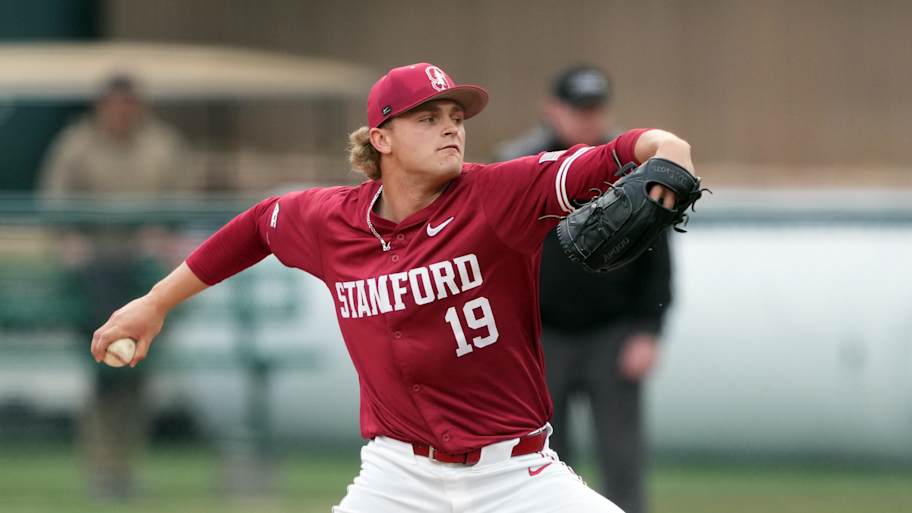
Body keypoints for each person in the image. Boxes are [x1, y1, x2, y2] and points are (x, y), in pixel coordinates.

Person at [89, 62, 694, 513]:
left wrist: (669, 150)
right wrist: (154, 303)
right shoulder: (332, 221)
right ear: (380, 139)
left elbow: (619, 151)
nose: (450, 129)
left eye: (455, 118)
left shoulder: (499, 194)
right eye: (428, 119)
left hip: (514, 476)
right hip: (397, 477)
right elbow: (256, 227)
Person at [496, 65, 672, 513]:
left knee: (622, 457)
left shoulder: (635, 168)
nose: (587, 118)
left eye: (595, 108)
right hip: (540, 336)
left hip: (612, 333)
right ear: (552, 109)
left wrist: (648, 329)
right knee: (542, 461)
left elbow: (658, 259)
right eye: (578, 109)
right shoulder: (517, 165)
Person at [39, 74, 190, 499]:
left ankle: (126, 466)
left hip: (146, 275)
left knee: (138, 373)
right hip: (95, 274)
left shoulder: (162, 145)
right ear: (101, 105)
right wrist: (71, 243)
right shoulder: (76, 145)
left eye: (128, 103)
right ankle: (102, 467)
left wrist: (162, 235)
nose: (121, 111)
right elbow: (55, 204)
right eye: (114, 103)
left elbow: (180, 201)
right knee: (103, 373)